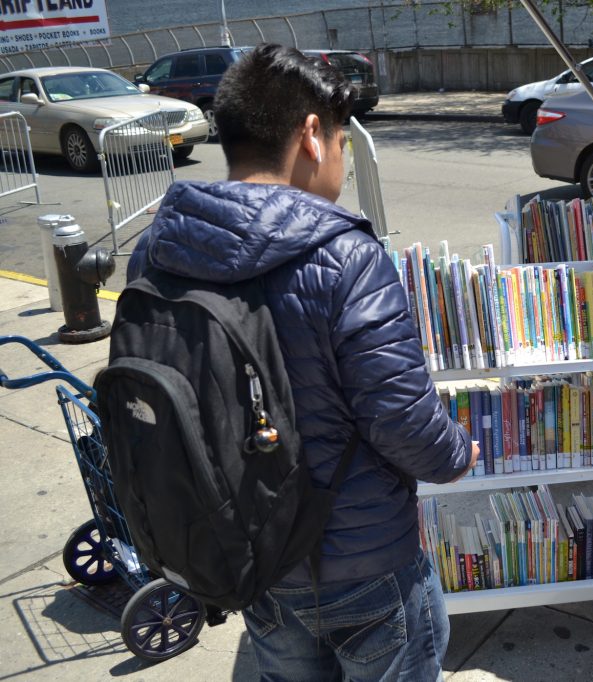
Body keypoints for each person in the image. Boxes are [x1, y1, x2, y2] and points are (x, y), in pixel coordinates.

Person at [127, 44, 478, 681]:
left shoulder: (157, 249)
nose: (340, 160)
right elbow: (400, 419)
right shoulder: (346, 257)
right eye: (342, 140)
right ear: (313, 135)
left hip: (248, 555)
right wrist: (457, 454)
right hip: (366, 562)